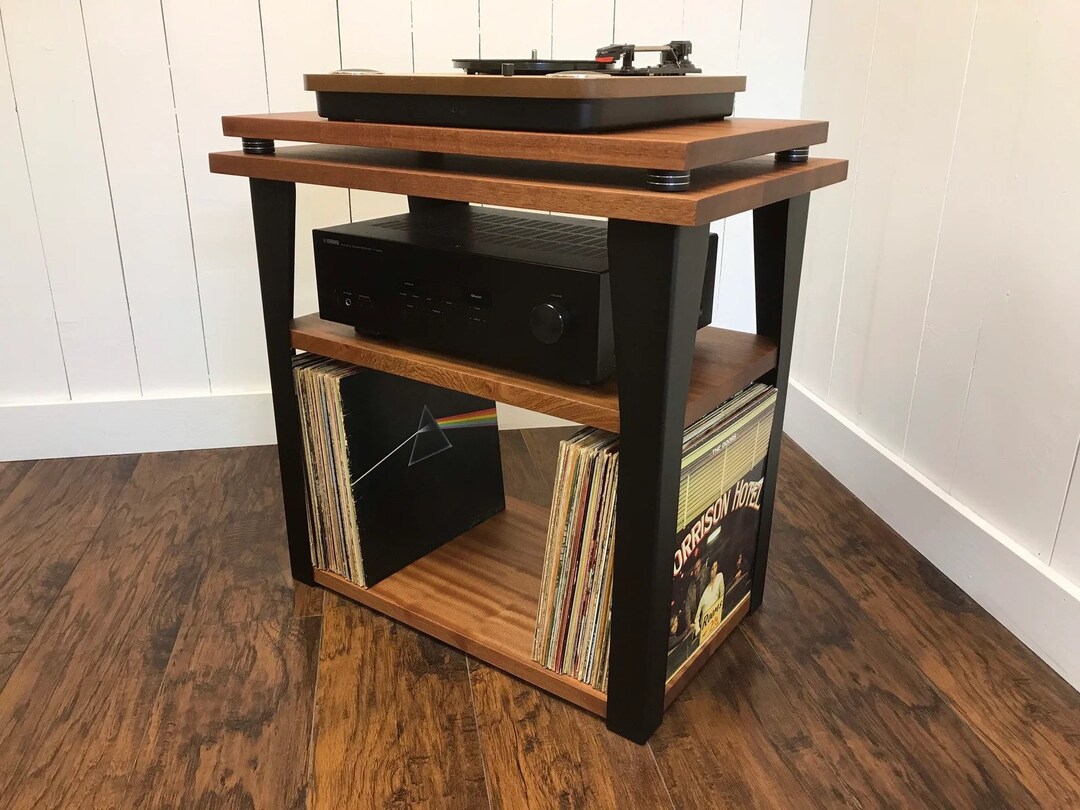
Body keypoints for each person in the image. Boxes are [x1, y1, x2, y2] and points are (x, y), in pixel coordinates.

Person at [693, 558, 726, 641]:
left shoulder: (719, 577)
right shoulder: (705, 594)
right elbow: (696, 618)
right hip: (705, 628)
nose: (714, 570)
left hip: (716, 620)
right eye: (712, 568)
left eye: (716, 567)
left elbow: (722, 596)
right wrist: (698, 631)